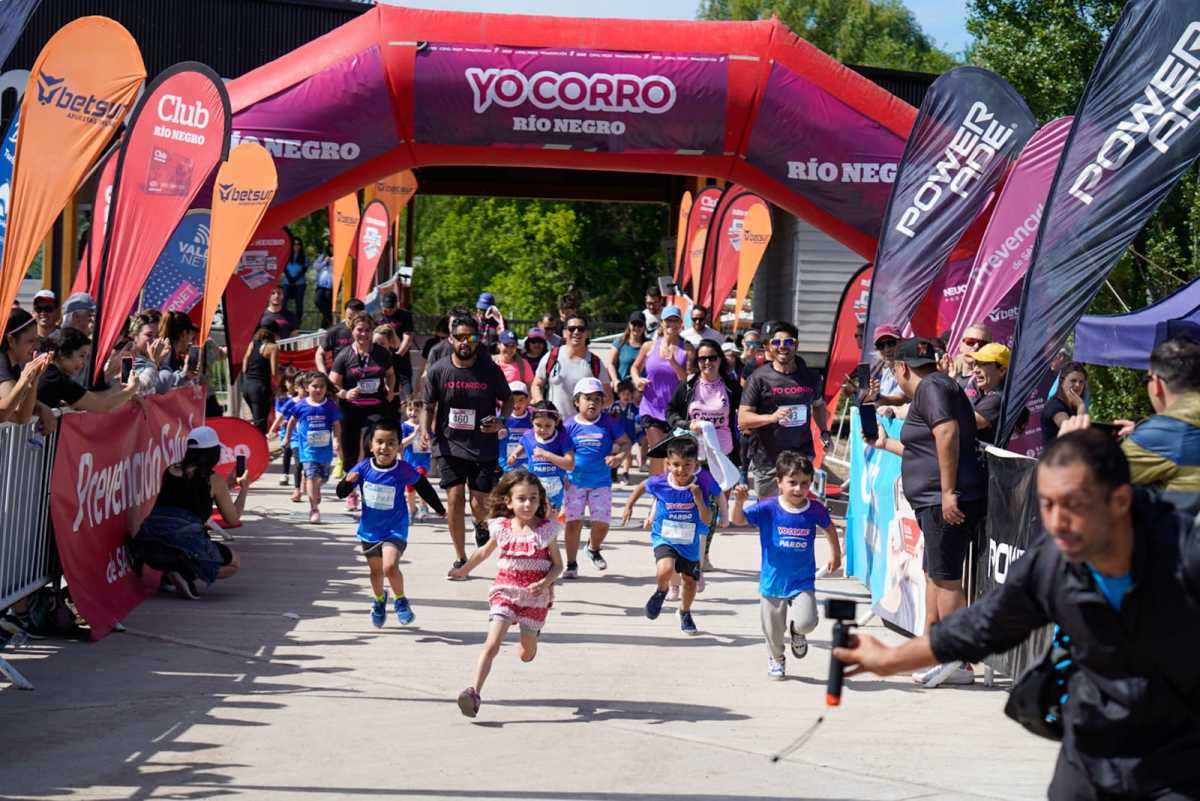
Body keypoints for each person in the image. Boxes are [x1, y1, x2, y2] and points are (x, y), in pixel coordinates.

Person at [834, 430, 1200, 801]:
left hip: (1179, 761)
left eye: (1073, 504)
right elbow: (980, 626)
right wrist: (888, 659)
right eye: (1047, 504)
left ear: (1119, 500)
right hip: (1091, 753)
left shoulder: (1186, 555)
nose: (1057, 523)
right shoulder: (1053, 561)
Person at [866, 337, 986, 688]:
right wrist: (884, 443)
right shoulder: (938, 385)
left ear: (901, 367)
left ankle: (961, 659)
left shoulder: (932, 388)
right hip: (934, 497)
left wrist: (948, 492)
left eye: (893, 369)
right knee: (934, 572)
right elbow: (925, 449)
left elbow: (947, 433)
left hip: (942, 499)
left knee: (946, 576)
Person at [450, 470, 564, 718]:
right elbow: (482, 553)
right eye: (522, 499)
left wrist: (545, 582)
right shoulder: (501, 528)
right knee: (492, 644)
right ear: (508, 502)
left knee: (525, 654)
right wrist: (463, 570)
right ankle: (473, 693)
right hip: (505, 591)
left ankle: (532, 638)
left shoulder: (546, 531)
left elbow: (558, 565)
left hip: (534, 597)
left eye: (533, 498)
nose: (528, 504)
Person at [731, 451, 841, 680]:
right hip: (773, 580)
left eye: (804, 483)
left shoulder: (815, 508)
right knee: (773, 630)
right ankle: (777, 658)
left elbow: (829, 528)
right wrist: (740, 501)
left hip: (802, 580)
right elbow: (739, 520)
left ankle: (798, 633)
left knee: (808, 621)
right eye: (792, 483)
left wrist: (835, 554)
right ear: (779, 483)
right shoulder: (768, 508)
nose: (799, 489)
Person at [421, 314, 512, 571]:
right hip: (449, 443)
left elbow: (507, 401)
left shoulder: (490, 371)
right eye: (459, 337)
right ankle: (461, 556)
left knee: (479, 503)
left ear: (477, 340)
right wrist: (425, 429)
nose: (464, 343)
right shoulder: (438, 370)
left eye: (469, 338)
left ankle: (480, 523)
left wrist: (500, 421)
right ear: (451, 339)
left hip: (483, 444)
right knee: (455, 497)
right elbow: (428, 405)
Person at [336, 418, 446, 628]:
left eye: (390, 443)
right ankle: (378, 600)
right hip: (369, 531)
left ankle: (401, 600)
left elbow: (423, 487)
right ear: (371, 445)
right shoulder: (363, 468)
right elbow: (341, 494)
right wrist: (346, 482)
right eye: (380, 442)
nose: (384, 448)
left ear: (398, 446)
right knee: (376, 572)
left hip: (395, 528)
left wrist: (439, 509)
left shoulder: (403, 469)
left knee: (389, 567)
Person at [130, 426, 247, 599]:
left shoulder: (170, 470)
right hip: (183, 540)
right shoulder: (214, 480)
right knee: (234, 563)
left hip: (149, 541)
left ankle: (170, 575)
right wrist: (244, 487)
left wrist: (225, 487)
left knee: (178, 540)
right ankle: (186, 573)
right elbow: (233, 518)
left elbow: (187, 498)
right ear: (214, 453)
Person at [621, 437, 714, 635]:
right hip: (665, 537)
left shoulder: (700, 486)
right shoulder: (660, 482)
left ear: (695, 464)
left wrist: (698, 499)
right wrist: (629, 505)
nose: (681, 470)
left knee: (690, 583)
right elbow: (641, 487)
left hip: (689, 542)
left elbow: (706, 519)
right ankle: (662, 590)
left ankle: (685, 612)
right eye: (676, 465)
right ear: (668, 464)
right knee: (665, 569)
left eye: (687, 465)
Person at [738, 321, 829, 498]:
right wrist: (771, 418)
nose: (782, 347)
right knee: (769, 514)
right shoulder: (758, 378)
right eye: (776, 342)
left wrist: (824, 431)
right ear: (769, 347)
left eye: (788, 342)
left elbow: (818, 405)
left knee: (795, 512)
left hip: (800, 457)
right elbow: (743, 418)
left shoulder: (810, 377)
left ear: (796, 345)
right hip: (768, 460)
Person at [1116, 335, 1200, 507]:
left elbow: (1097, 484)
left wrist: (1070, 443)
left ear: (1156, 383)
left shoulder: (1164, 433)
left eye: (1146, 380)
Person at [562, 377, 630, 577]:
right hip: (574, 481)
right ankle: (572, 564)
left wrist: (618, 457)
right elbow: (560, 451)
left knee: (601, 523)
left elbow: (625, 443)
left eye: (597, 399)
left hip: (600, 482)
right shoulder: (568, 426)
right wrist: (561, 475)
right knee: (573, 522)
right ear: (577, 401)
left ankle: (593, 548)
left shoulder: (609, 422)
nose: (592, 403)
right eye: (587, 398)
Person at [331, 312, 396, 510]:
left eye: (368, 330)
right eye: (360, 330)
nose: (364, 334)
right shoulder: (344, 355)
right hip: (350, 409)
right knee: (350, 452)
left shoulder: (381, 353)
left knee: (371, 445)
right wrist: (344, 393)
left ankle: (370, 487)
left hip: (375, 407)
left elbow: (390, 374)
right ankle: (351, 492)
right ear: (353, 331)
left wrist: (390, 389)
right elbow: (332, 382)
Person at [632, 305, 693, 474]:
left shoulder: (687, 349)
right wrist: (637, 379)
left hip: (675, 411)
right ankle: (657, 492)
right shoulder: (649, 346)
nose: (671, 324)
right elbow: (635, 368)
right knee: (658, 451)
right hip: (651, 408)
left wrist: (673, 362)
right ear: (661, 323)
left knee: (675, 456)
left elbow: (688, 380)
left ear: (681, 324)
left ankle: (669, 492)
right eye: (668, 320)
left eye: (675, 320)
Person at [667, 337, 742, 464]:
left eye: (712, 358)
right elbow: (670, 411)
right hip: (692, 455)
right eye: (702, 359)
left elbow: (746, 408)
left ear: (720, 359)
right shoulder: (688, 385)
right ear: (697, 361)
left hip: (723, 453)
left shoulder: (731, 386)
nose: (707, 362)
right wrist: (686, 424)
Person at [284, 372, 342, 524]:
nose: (318, 389)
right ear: (306, 387)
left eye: (321, 386)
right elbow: (291, 422)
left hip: (325, 452)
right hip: (307, 451)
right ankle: (314, 508)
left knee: (323, 478)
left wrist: (336, 440)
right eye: (314, 386)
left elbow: (336, 424)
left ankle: (315, 489)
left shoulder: (330, 406)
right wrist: (287, 437)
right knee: (312, 476)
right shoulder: (301, 406)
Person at [37, 328, 140, 413]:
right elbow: (104, 406)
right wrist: (132, 388)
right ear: (63, 354)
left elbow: (93, 397)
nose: (84, 362)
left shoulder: (48, 373)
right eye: (81, 355)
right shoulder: (56, 379)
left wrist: (119, 388)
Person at [533, 312, 609, 418]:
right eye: (571, 328)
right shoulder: (552, 356)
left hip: (582, 429)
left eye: (581, 329)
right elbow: (536, 385)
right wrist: (543, 408)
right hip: (554, 427)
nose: (576, 332)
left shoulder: (595, 362)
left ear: (587, 333)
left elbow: (608, 398)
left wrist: (590, 415)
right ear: (564, 333)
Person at [511, 400, 574, 518]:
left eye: (548, 426)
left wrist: (546, 454)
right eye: (538, 425)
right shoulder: (528, 435)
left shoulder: (563, 438)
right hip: (533, 489)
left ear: (556, 422)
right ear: (532, 422)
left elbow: (570, 464)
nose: (543, 430)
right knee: (534, 522)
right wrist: (514, 455)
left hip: (554, 490)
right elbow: (523, 444)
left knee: (550, 527)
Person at [0, 309, 52, 426]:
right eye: (30, 341)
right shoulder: (1, 362)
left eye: (37, 340)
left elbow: (22, 418)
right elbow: (4, 413)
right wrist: (25, 379)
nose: (36, 346)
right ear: (11, 340)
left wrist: (34, 379)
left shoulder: (14, 365)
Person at [240, 327, 279, 434]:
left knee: (256, 421)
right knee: (261, 423)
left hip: (247, 386)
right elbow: (274, 372)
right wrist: (279, 385)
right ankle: (260, 448)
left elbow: (244, 365)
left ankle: (257, 445)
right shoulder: (273, 347)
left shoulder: (252, 344)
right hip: (260, 388)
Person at [969, 343, 1009, 445]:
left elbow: (965, 424)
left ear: (1001, 370)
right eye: (976, 364)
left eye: (982, 364)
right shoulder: (986, 394)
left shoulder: (997, 399)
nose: (975, 370)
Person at [401, 400, 435, 521]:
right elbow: (401, 444)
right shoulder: (404, 426)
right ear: (406, 410)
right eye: (410, 409)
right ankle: (412, 509)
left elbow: (432, 441)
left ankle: (423, 506)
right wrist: (413, 435)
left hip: (422, 462)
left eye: (417, 410)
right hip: (408, 462)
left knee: (421, 482)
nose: (413, 413)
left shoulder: (426, 426)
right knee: (410, 488)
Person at [377, 291, 415, 396]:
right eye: (385, 308)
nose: (387, 311)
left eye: (390, 309)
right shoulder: (377, 316)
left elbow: (408, 337)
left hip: (400, 353)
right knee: (388, 384)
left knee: (406, 382)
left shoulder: (405, 315)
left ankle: (409, 403)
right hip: (383, 355)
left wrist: (399, 353)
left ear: (396, 305)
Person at [1042, 361, 1088, 446]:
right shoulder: (1055, 406)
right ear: (1062, 382)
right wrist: (1081, 406)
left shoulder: (1073, 406)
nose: (1078, 385)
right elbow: (1073, 435)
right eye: (1073, 381)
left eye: (1081, 382)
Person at [316, 298, 364, 376]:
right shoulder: (335, 330)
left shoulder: (368, 331)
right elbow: (319, 354)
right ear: (345, 314)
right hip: (340, 376)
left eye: (355, 318)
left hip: (363, 374)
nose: (352, 321)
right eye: (349, 317)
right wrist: (324, 375)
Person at [266, 368, 298, 486]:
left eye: (294, 381)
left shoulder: (301, 397)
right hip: (285, 429)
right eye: (289, 381)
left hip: (298, 430)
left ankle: (299, 476)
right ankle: (285, 474)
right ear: (284, 381)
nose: (292, 384)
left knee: (297, 453)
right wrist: (273, 429)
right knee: (287, 451)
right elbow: (279, 414)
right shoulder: (281, 397)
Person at [865, 325, 906, 407]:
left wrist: (876, 397)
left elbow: (900, 400)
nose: (886, 349)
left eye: (890, 343)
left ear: (901, 343)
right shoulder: (887, 371)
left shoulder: (908, 369)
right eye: (881, 345)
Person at [497, 381, 533, 475]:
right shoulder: (501, 418)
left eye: (521, 400)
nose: (516, 405)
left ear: (527, 400)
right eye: (513, 400)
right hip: (505, 467)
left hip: (527, 468)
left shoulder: (533, 419)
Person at [610, 379, 640, 485]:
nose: (626, 396)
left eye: (628, 394)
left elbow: (640, 419)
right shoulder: (614, 406)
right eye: (623, 394)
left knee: (627, 454)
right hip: (616, 436)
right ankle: (613, 473)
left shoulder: (634, 408)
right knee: (614, 453)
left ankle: (625, 473)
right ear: (618, 394)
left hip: (630, 436)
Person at [607, 311, 647, 385]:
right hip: (622, 388)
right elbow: (610, 363)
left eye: (640, 325)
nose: (637, 327)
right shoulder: (619, 342)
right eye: (634, 324)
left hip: (642, 388)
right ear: (629, 324)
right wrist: (615, 380)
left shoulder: (649, 344)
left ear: (644, 326)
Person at [281, 235, 308, 323]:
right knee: (283, 301)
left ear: (301, 246)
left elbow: (304, 270)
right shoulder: (287, 255)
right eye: (294, 244)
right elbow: (283, 268)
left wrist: (295, 279)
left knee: (299, 303)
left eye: (298, 244)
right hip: (287, 282)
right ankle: (283, 319)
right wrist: (290, 278)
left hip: (300, 283)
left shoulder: (304, 257)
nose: (296, 246)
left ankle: (297, 321)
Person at [313, 244, 334, 329]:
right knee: (317, 301)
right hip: (321, 285)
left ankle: (324, 327)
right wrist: (325, 262)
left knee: (328, 306)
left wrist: (333, 262)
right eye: (331, 247)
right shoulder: (322, 256)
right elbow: (316, 267)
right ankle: (330, 320)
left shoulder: (339, 257)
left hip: (331, 286)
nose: (332, 249)